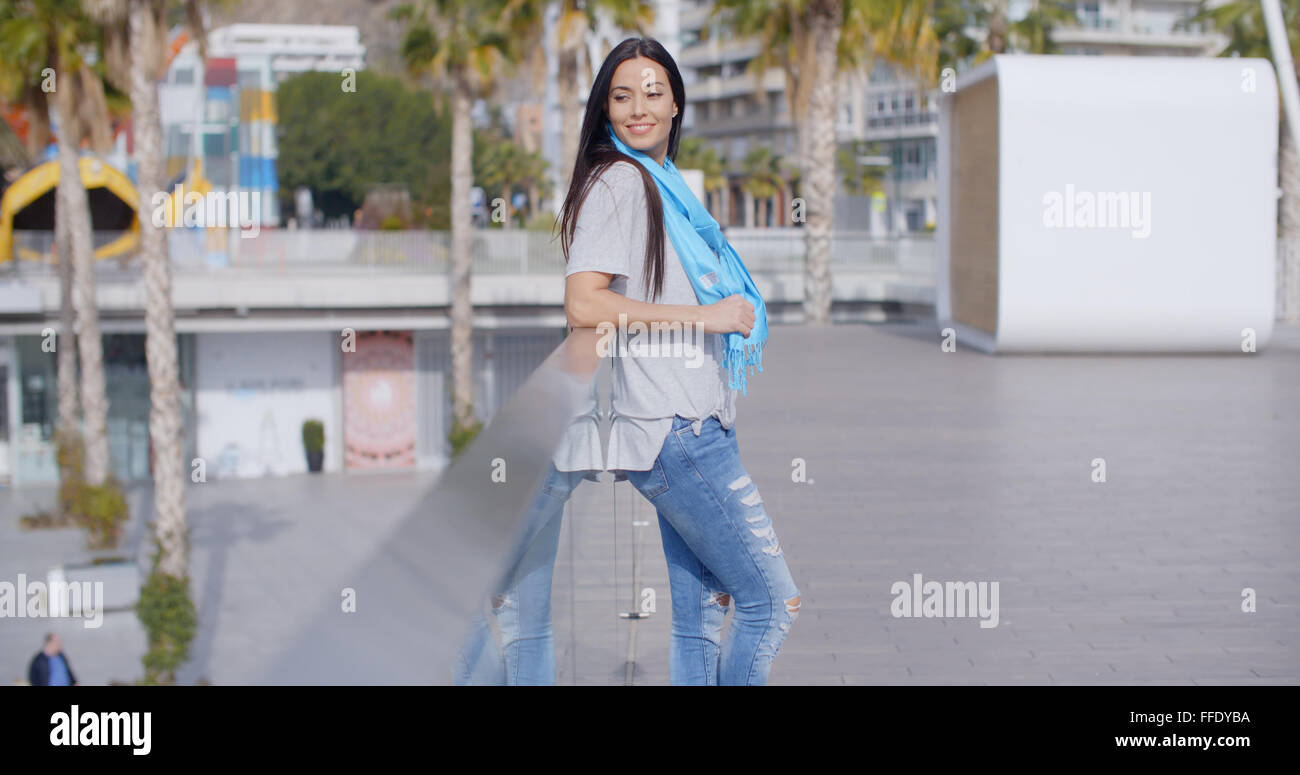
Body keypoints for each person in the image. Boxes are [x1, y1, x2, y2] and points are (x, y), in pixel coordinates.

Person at [558, 37, 800, 685]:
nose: (638, 107)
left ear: (675, 106)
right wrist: (707, 317)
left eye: (653, 92)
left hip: (681, 425)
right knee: (771, 603)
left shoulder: (661, 185)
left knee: (698, 616)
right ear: (605, 109)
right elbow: (583, 301)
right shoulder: (621, 183)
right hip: (679, 429)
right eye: (621, 95)